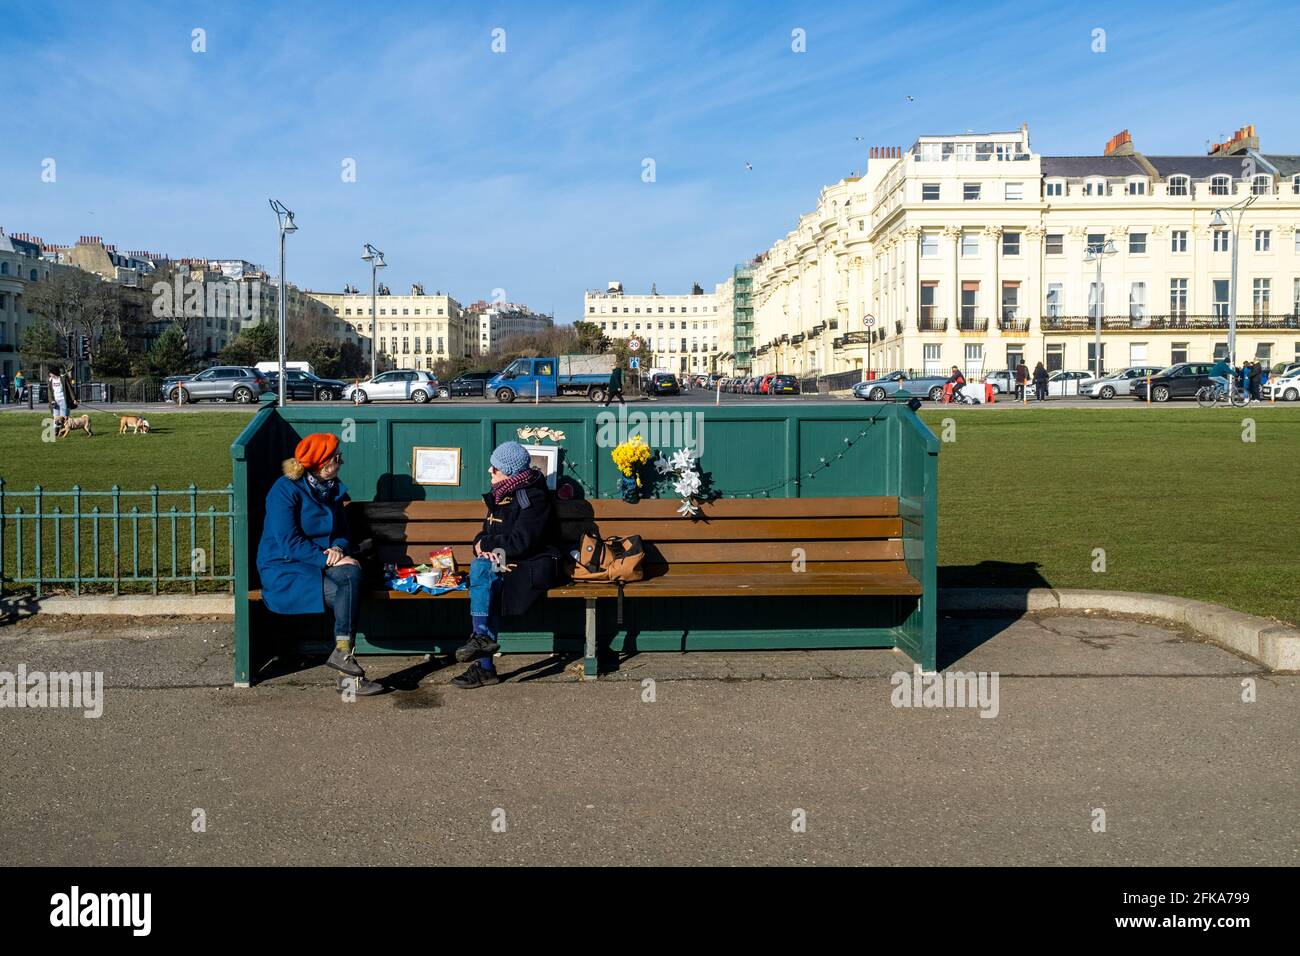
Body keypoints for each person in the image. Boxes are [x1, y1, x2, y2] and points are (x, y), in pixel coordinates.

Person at [256, 433, 383, 696]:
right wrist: (328, 557)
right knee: (344, 594)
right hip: (287, 567)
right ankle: (347, 675)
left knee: (352, 575)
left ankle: (342, 655)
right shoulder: (284, 489)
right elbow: (288, 541)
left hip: (323, 561)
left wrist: (338, 548)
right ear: (324, 464)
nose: (342, 462)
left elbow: (342, 531)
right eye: (338, 458)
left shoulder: (332, 488)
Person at [452, 442, 563, 689]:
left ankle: (484, 663)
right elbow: (485, 534)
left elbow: (522, 542)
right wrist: (483, 547)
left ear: (510, 473)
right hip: (509, 559)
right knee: (481, 568)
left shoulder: (531, 496)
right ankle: (482, 650)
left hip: (532, 564)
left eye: (495, 468)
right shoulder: (502, 493)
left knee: (484, 576)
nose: (489, 471)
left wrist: (487, 546)